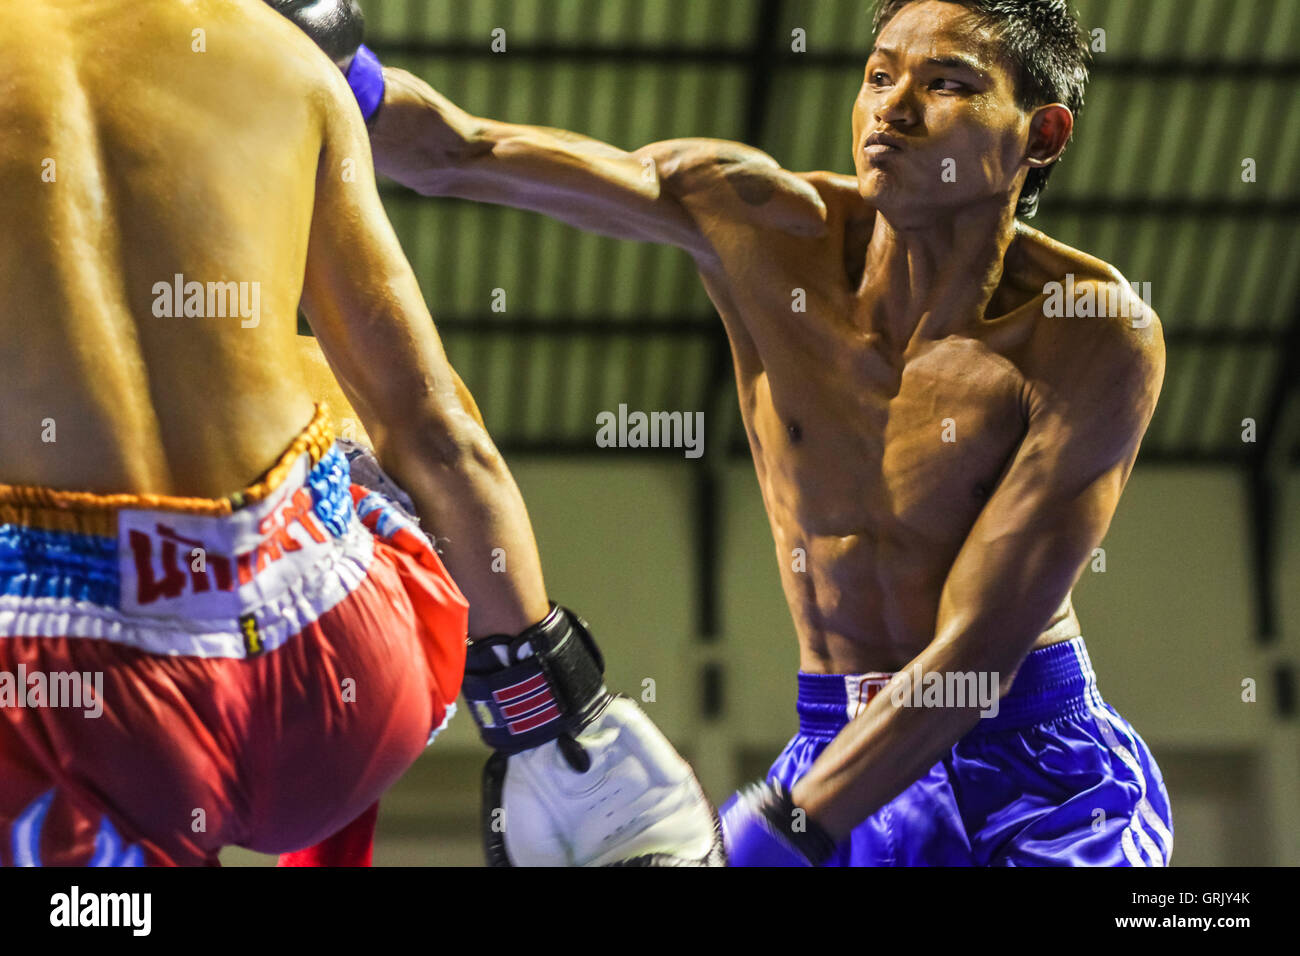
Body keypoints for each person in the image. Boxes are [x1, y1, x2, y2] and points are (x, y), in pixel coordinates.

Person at [295, 0, 1174, 865]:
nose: (892, 111)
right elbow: (461, 151)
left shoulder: (1089, 333)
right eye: (878, 76)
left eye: (946, 83)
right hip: (830, 745)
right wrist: (335, 65)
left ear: (1043, 134)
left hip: (1032, 771)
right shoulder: (759, 226)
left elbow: (980, 649)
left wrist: (789, 824)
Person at [0, 0, 719, 867]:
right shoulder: (286, 57)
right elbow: (435, 430)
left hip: (77, 700)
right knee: (334, 382)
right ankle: (572, 751)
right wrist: (559, 707)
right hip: (334, 671)